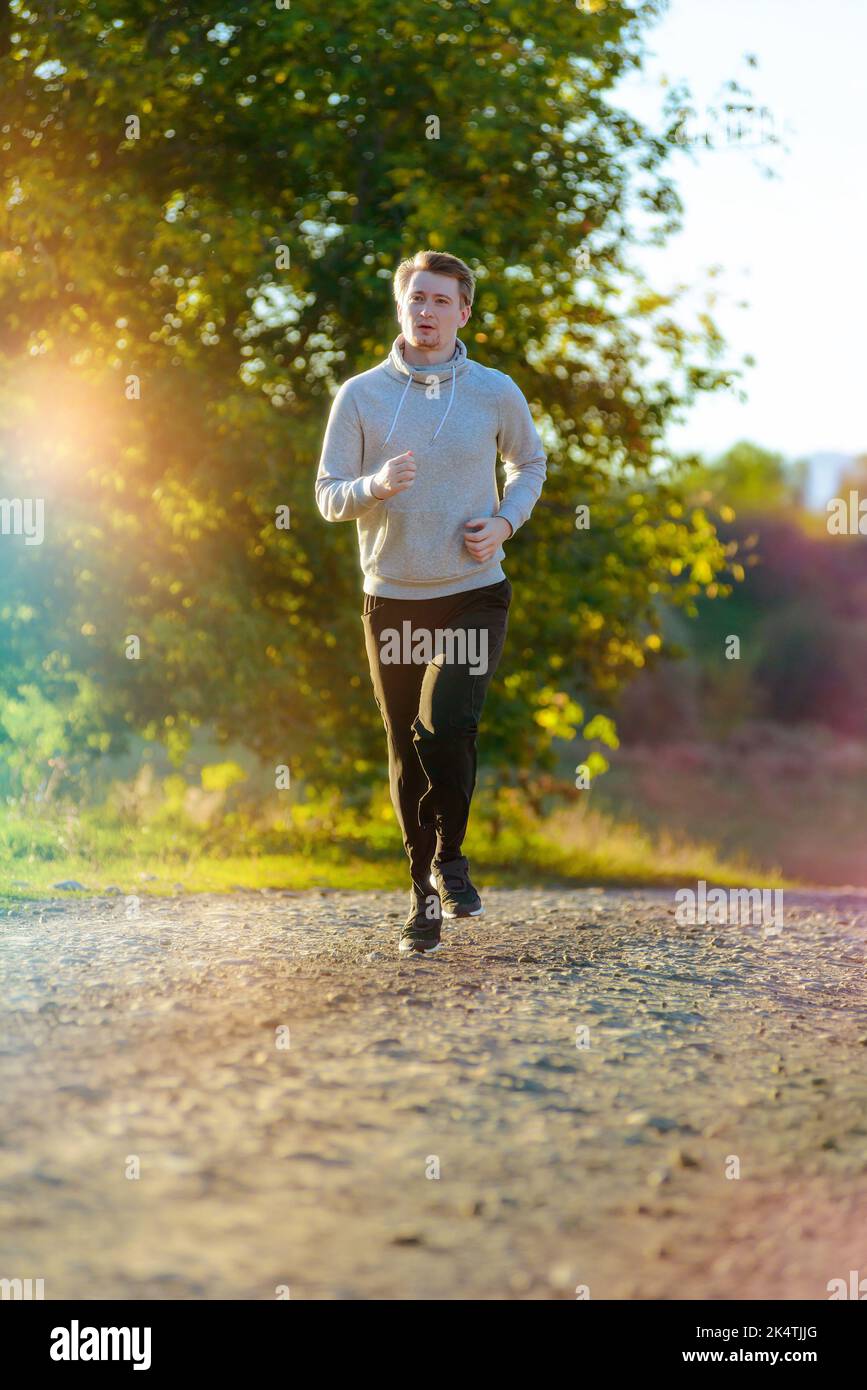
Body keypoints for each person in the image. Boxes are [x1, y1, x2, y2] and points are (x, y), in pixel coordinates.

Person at [315, 250, 547, 955]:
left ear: (463, 312)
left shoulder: (492, 391)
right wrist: (374, 487)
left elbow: (529, 463)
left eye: (440, 300)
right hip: (392, 599)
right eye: (415, 298)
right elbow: (328, 495)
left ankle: (452, 856)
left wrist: (505, 520)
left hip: (473, 593)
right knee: (403, 752)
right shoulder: (359, 395)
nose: (426, 311)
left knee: (445, 725)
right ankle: (422, 893)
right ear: (399, 306)